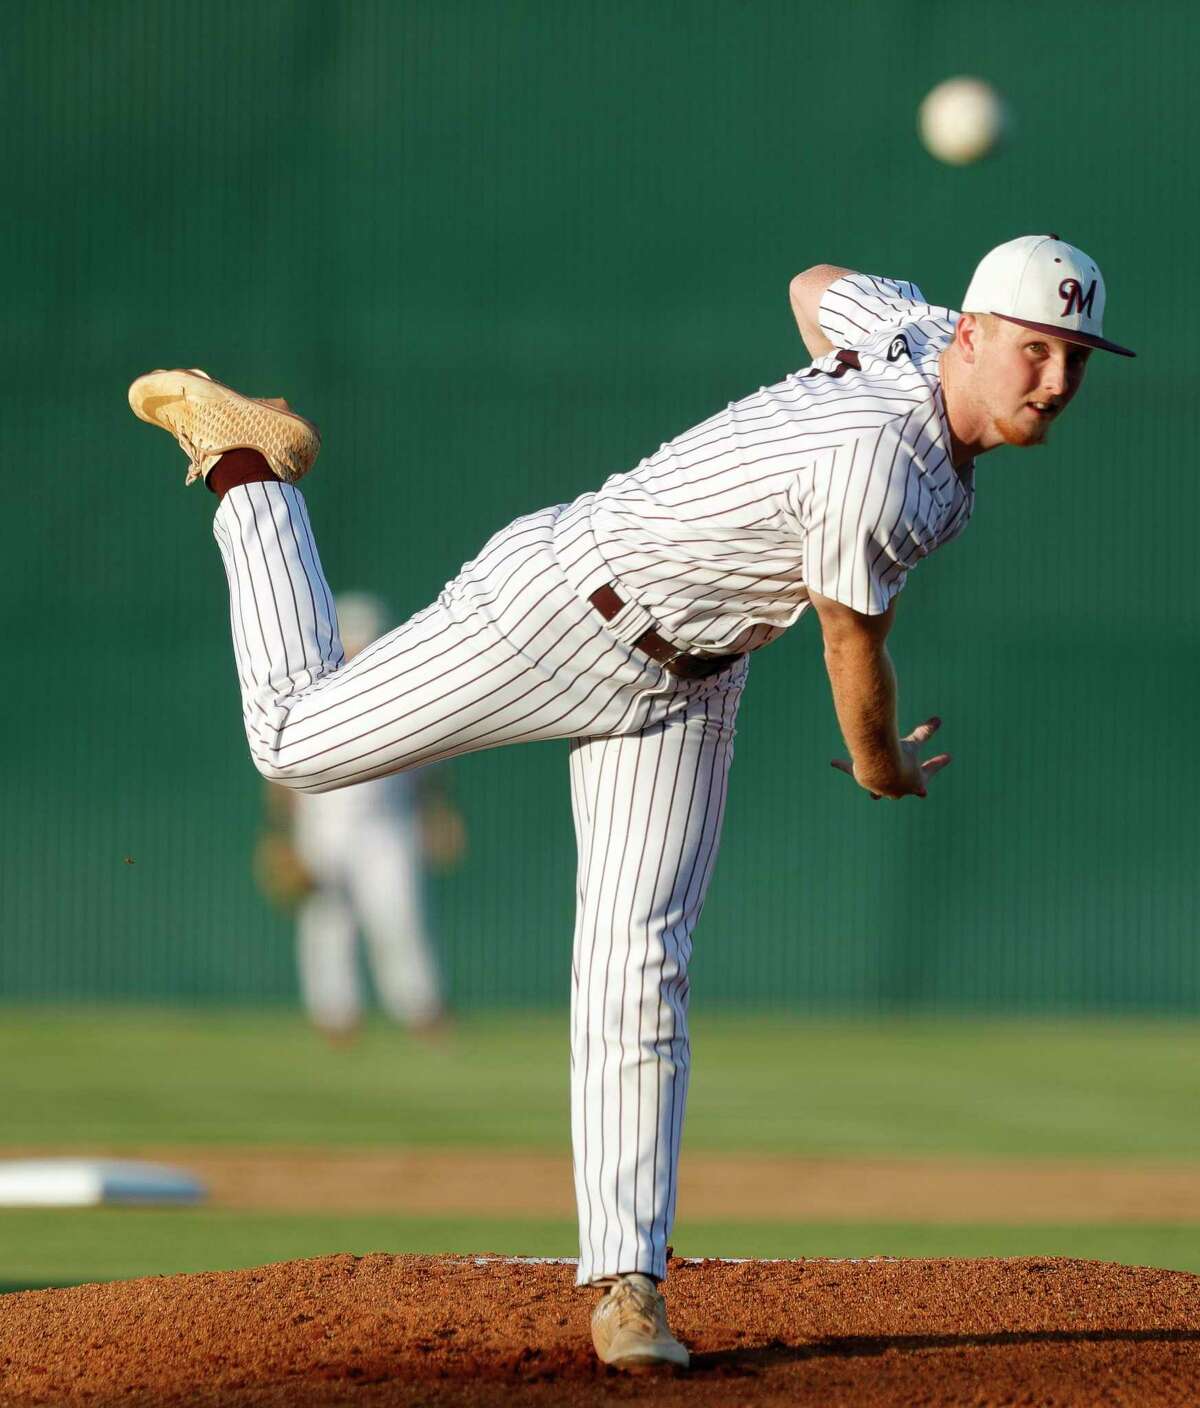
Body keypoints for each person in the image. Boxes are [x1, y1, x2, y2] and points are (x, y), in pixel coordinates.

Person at [129, 234, 1133, 1371]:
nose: (1055, 379)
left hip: (690, 681)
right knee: (294, 739)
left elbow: (812, 288)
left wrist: (868, 354)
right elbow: (854, 646)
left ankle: (627, 1287)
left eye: (1076, 358)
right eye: (1034, 349)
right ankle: (247, 468)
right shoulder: (883, 464)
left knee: (640, 959)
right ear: (972, 334)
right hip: (566, 607)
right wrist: (878, 763)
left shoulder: (904, 334)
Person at [252, 591, 463, 1042]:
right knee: (328, 924)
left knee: (398, 916)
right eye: (352, 640)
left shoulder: (402, 694)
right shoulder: (314, 695)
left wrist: (436, 816)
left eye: (365, 639)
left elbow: (427, 769)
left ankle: (420, 1008)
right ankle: (336, 1016)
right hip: (323, 828)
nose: (358, 648)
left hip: (387, 826)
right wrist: (282, 835)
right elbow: (282, 772)